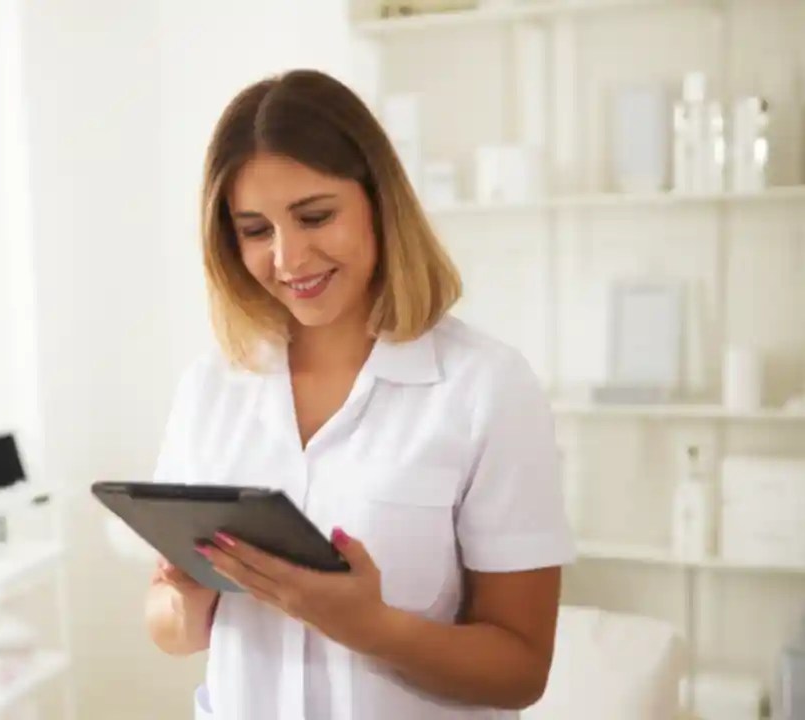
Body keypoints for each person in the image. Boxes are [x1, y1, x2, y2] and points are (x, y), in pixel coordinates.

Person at [144, 69, 575, 720]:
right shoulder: (210, 388)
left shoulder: (486, 388)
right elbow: (169, 631)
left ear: (379, 201)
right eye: (256, 230)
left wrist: (370, 627)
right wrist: (186, 595)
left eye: (315, 216)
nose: (289, 258)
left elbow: (521, 670)